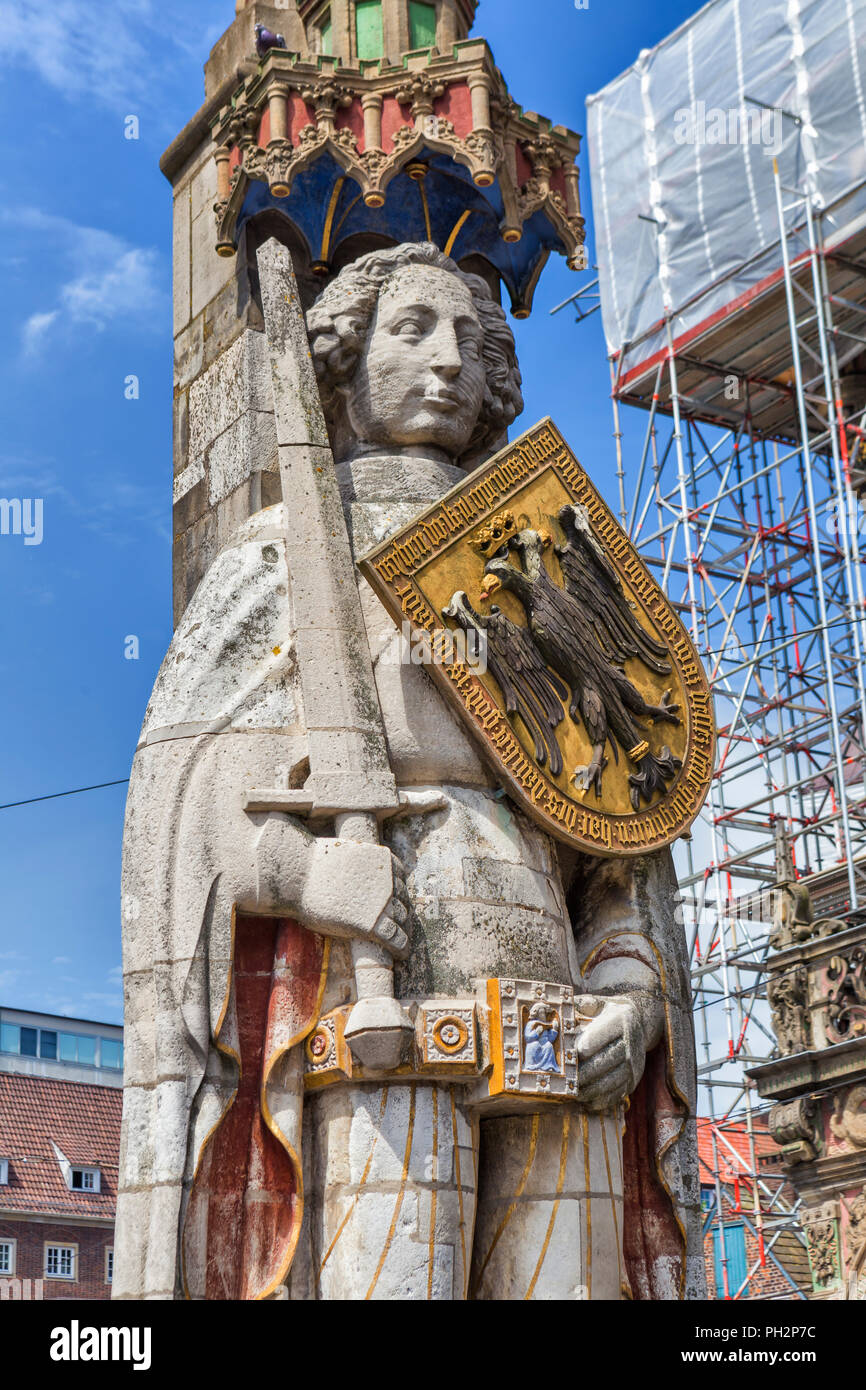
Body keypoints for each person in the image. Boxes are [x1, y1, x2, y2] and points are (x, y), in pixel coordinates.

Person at [115, 242, 702, 1301]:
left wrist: (628, 978)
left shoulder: (544, 553)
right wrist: (299, 873)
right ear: (345, 359)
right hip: (380, 996)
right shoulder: (282, 550)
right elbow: (183, 793)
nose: (449, 362)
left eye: (472, 342)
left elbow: (617, 831)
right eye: (413, 329)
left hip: (558, 1013)